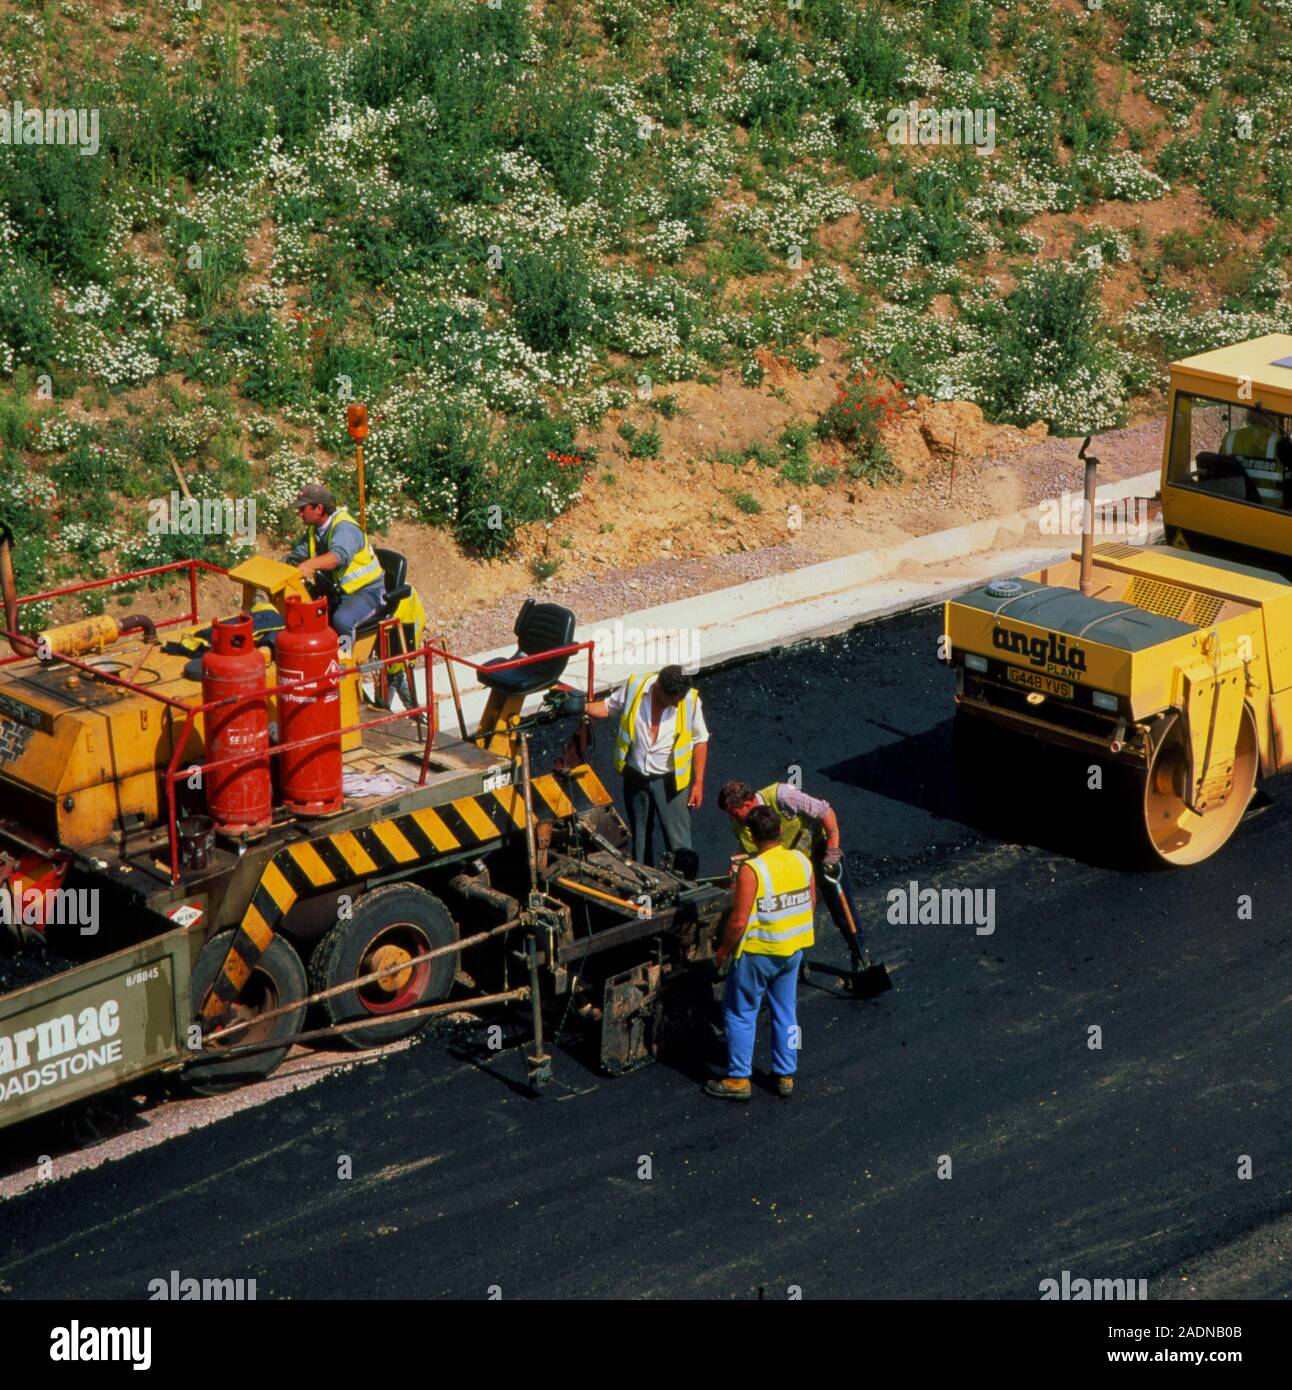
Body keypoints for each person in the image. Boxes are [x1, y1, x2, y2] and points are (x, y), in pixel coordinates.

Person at [705, 804, 814, 1102]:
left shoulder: (752, 871)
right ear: (779, 831)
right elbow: (810, 902)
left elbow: (738, 921)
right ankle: (785, 1073)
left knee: (740, 1013)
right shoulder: (802, 861)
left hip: (758, 953)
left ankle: (739, 1078)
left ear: (752, 836)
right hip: (792, 950)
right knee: (786, 1011)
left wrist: (723, 952)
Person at [718, 778, 871, 972]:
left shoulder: (782, 796)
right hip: (789, 864)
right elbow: (746, 849)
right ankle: (796, 958)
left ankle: (860, 951)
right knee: (789, 911)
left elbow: (826, 812)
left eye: (733, 813)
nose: (732, 818)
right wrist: (735, 871)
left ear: (748, 804)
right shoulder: (741, 822)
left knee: (840, 905)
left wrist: (832, 852)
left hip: (818, 851)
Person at [585, 665, 708, 866]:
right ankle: (646, 881)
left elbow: (700, 740)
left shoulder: (689, 701)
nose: (678, 705)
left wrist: (698, 783)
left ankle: (684, 885)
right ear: (659, 690)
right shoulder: (635, 687)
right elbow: (607, 707)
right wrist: (581, 706)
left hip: (671, 782)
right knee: (640, 838)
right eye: (673, 701)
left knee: (679, 842)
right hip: (636, 777)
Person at [284, 483, 385, 651]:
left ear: (319, 509)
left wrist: (310, 564)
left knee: (342, 621)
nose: (299, 513)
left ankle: (344, 663)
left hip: (368, 591)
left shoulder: (344, 528)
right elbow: (294, 558)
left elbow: (338, 557)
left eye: (303, 509)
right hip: (339, 592)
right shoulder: (314, 530)